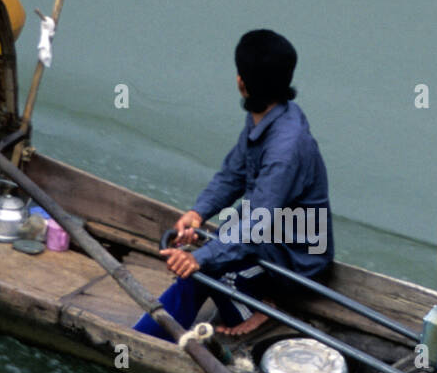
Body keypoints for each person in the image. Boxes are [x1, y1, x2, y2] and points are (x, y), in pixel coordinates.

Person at [133, 29, 333, 339]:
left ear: (242, 82)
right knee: (208, 253)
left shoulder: (286, 149)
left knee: (206, 270)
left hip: (294, 259)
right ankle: (150, 335)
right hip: (269, 235)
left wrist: (199, 259)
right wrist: (198, 213)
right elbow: (233, 174)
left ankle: (262, 311)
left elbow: (256, 223)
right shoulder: (266, 116)